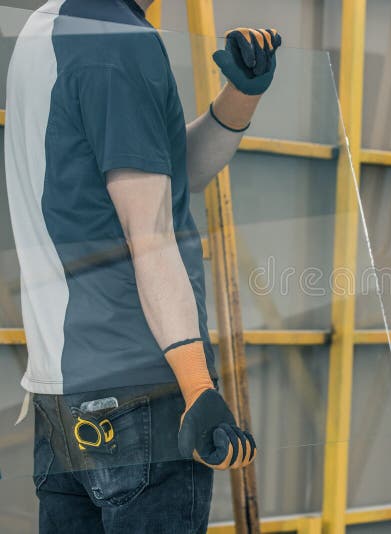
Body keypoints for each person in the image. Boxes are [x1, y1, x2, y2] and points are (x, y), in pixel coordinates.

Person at [3, 0, 280, 531]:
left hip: (61, 396)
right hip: (143, 392)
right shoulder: (120, 40)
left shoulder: (44, 30)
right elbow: (149, 231)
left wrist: (239, 98)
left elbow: (167, 178)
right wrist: (198, 386)